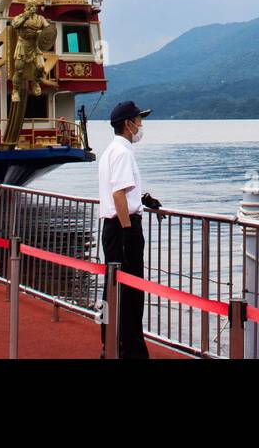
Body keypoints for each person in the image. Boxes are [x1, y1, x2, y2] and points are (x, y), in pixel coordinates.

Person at [98, 100, 161, 359]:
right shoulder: (123, 152)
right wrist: (128, 231)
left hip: (111, 227)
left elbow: (123, 190)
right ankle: (130, 348)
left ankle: (110, 343)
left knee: (111, 287)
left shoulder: (111, 151)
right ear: (128, 124)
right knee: (130, 290)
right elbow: (119, 194)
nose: (141, 125)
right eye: (138, 120)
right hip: (123, 227)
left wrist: (143, 199)